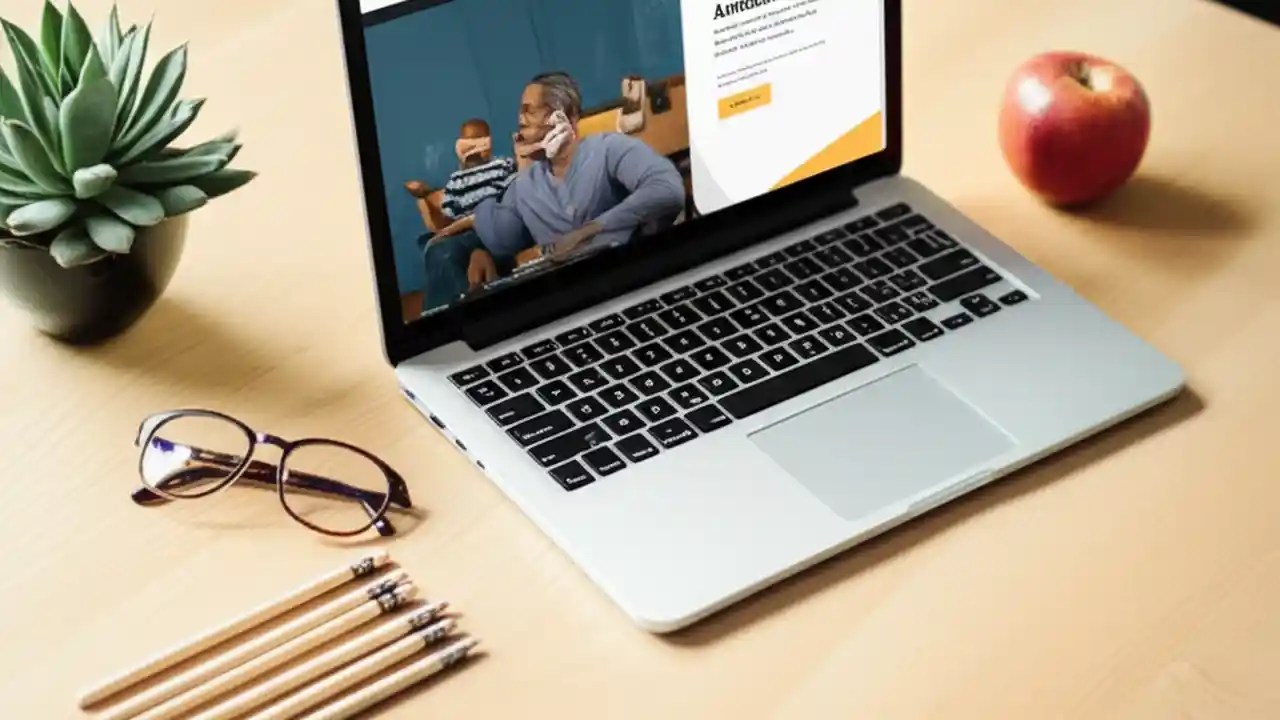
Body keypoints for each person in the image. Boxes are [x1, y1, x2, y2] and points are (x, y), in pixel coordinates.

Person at [465, 71, 686, 287]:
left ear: (566, 116)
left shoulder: (607, 148)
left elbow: (668, 190)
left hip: (629, 277)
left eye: (530, 111)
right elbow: (503, 239)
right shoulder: (526, 181)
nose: (521, 120)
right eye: (520, 113)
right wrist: (480, 251)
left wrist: (590, 231)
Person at [420, 119, 518, 311]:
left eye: (478, 139)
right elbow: (447, 216)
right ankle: (452, 309)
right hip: (463, 235)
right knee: (439, 252)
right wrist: (426, 196)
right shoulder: (457, 180)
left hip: (493, 225)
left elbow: (513, 197)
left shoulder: (502, 166)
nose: (472, 147)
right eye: (467, 141)